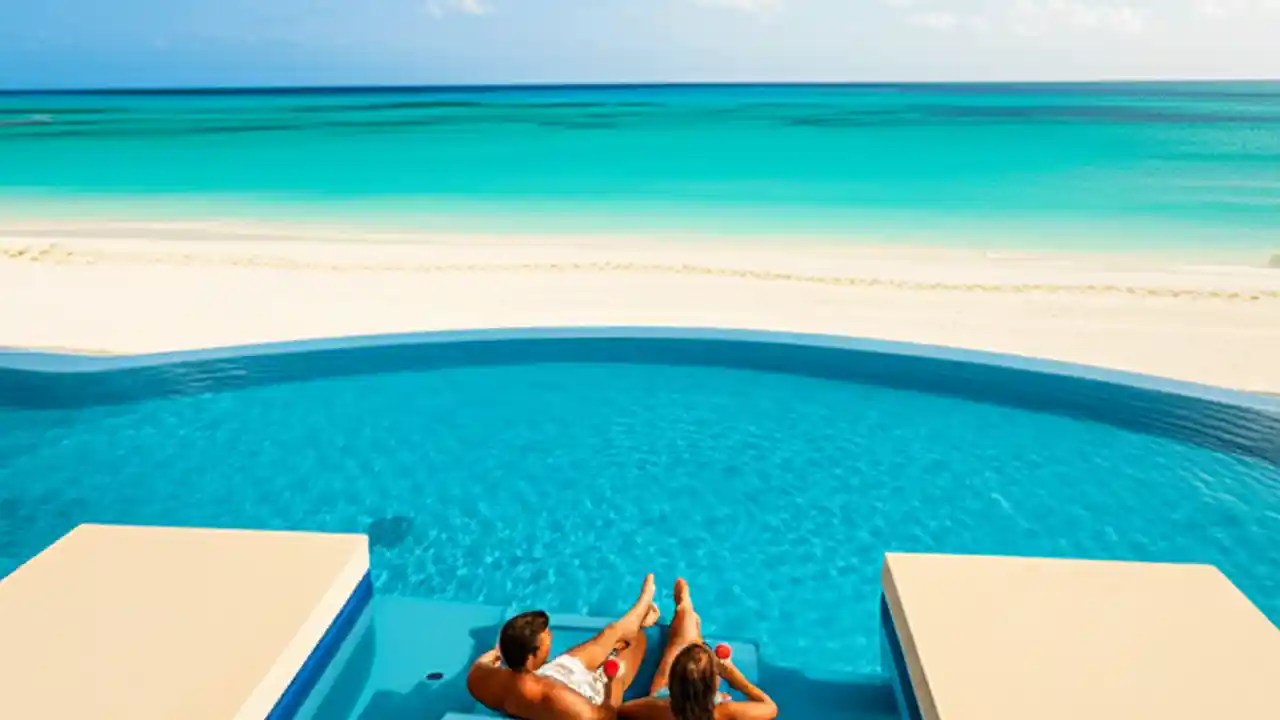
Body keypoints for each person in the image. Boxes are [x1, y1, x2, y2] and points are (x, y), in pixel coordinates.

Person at [467, 574, 660, 720]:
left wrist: (500, 651)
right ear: (530, 657)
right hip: (580, 693)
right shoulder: (555, 696)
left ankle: (637, 614)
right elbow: (606, 717)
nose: (551, 637)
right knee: (636, 640)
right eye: (546, 638)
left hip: (548, 674)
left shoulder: (481, 677)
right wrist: (613, 682)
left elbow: (485, 660)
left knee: (607, 637)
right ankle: (640, 622)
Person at [619, 579, 776, 720]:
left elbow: (622, 710)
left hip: (669, 706)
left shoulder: (659, 708)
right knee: (688, 630)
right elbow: (770, 707)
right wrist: (735, 678)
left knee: (682, 637)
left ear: (672, 683)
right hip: (699, 704)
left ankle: (684, 611)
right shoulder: (726, 713)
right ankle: (687, 611)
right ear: (715, 683)